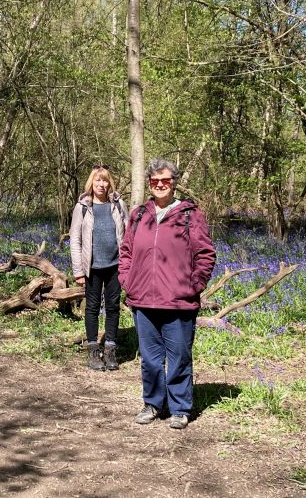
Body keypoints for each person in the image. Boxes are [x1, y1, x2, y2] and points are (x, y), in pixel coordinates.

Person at [118, 158, 215, 429]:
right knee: (149, 359)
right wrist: (128, 281)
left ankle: (180, 408)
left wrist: (193, 286)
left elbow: (205, 254)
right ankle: (152, 404)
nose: (160, 185)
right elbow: (125, 252)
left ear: (174, 183)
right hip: (143, 300)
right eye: (155, 181)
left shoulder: (190, 215)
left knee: (179, 357)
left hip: (178, 302)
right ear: (150, 184)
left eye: (166, 180)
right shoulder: (138, 215)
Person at [69, 165, 128, 370]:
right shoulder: (82, 207)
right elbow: (75, 240)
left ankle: (110, 349)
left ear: (109, 182)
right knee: (92, 308)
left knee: (112, 307)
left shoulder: (118, 204)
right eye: (97, 181)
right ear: (91, 183)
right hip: (91, 268)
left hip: (115, 266)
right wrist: (78, 271)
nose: (101, 185)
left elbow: (128, 234)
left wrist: (128, 264)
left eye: (105, 181)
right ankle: (94, 350)